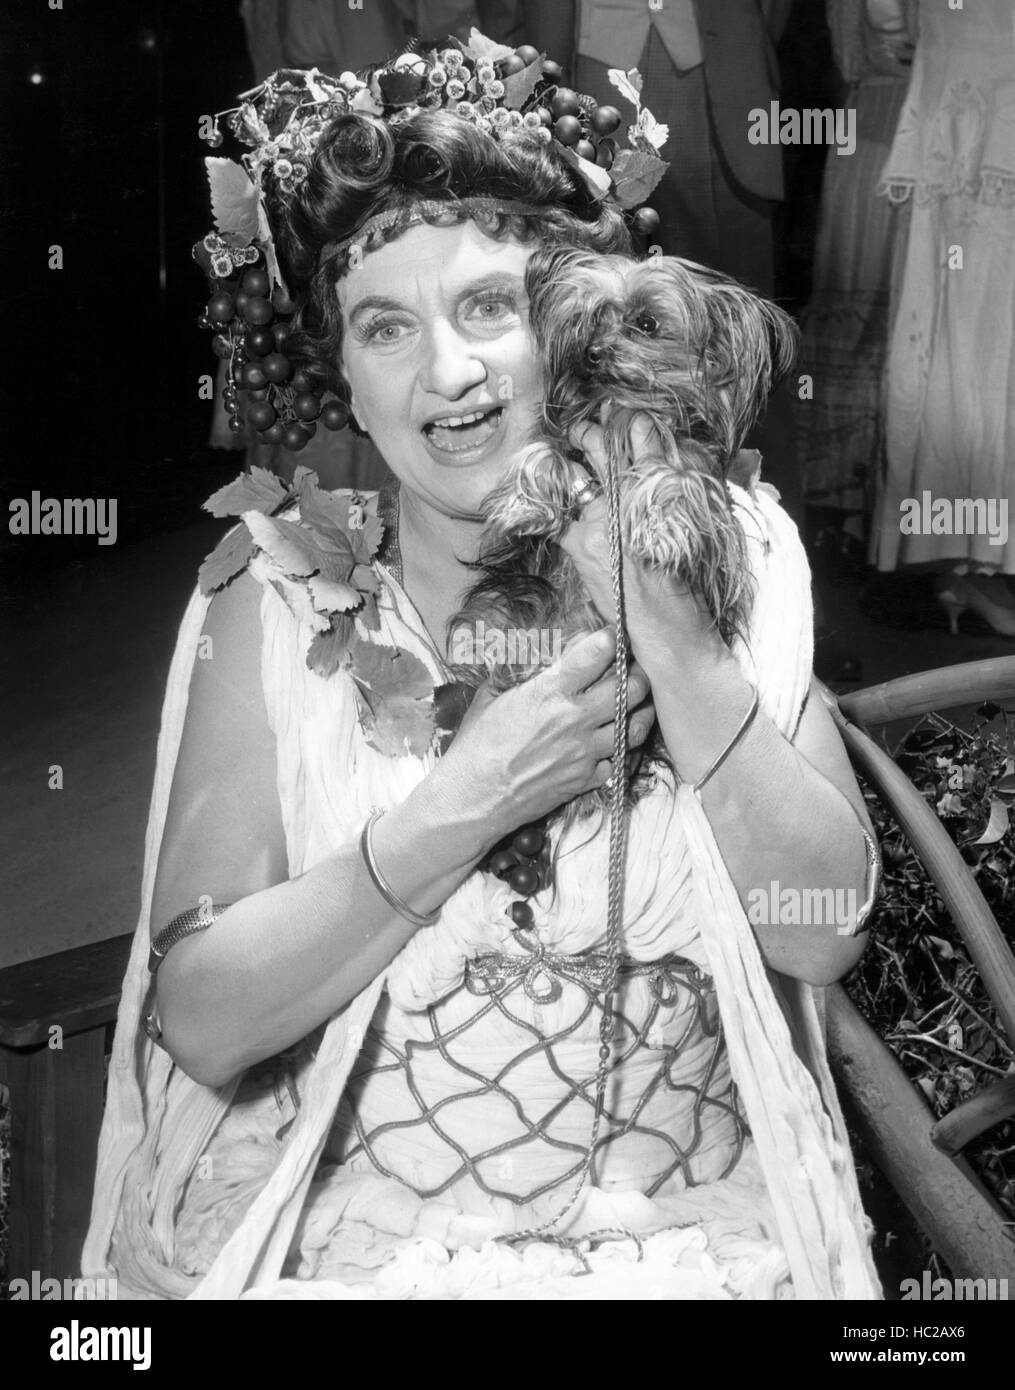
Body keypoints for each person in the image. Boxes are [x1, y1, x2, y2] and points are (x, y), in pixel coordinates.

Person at [84, 40, 881, 1299]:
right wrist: (473, 798)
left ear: (573, 321)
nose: (447, 375)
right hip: (371, 1256)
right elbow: (207, 1019)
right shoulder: (277, 601)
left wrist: (665, 626)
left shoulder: (739, 556)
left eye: (489, 308)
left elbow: (824, 935)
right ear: (338, 374)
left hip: (698, 1248)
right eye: (385, 327)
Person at [870, 0, 1015, 636]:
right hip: (977, 76)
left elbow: (887, 19)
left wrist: (901, 26)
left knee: (971, 313)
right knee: (974, 313)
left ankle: (967, 563)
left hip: (964, 55)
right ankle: (970, 561)